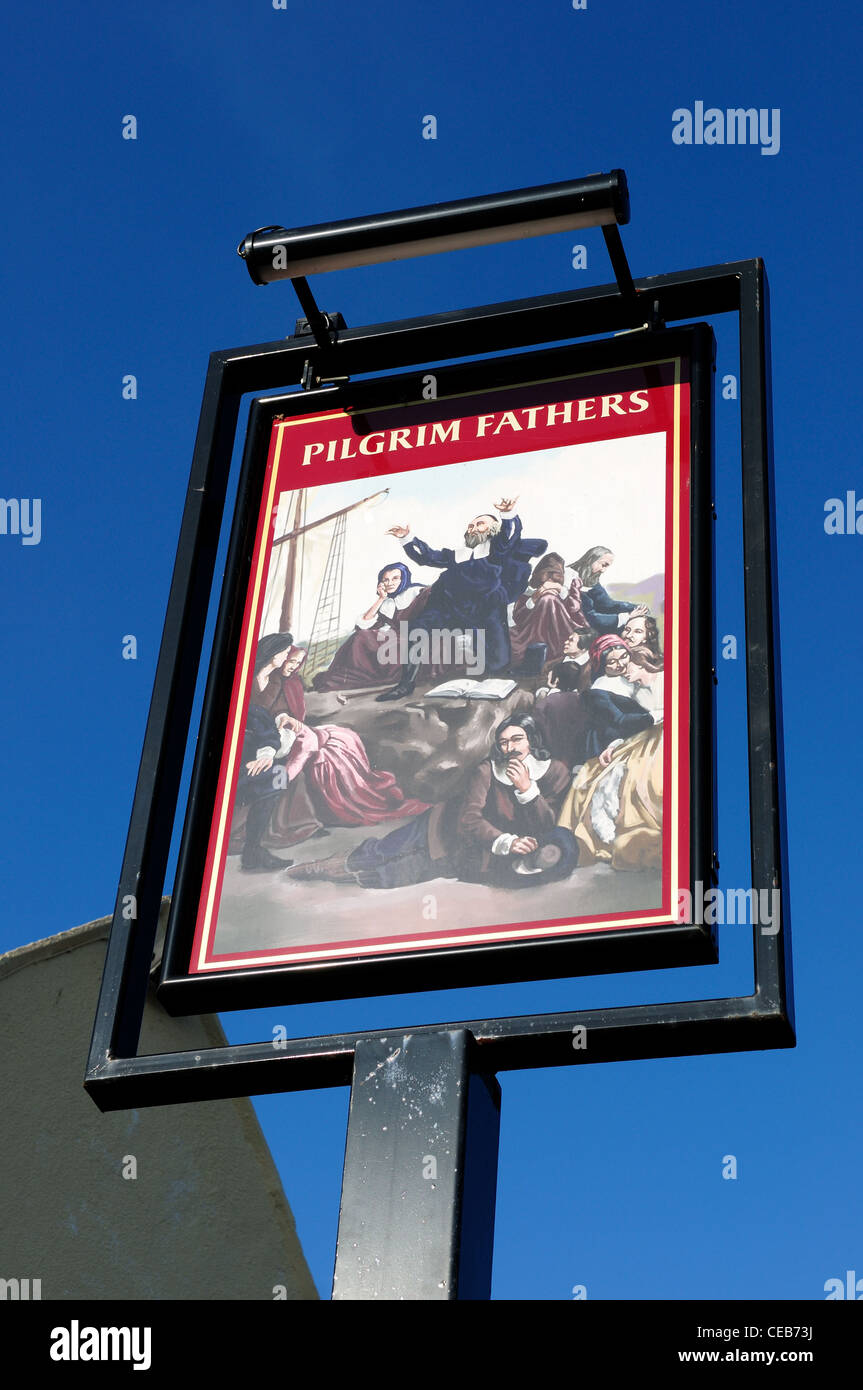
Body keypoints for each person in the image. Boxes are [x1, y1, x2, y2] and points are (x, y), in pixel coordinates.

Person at [290, 715, 577, 889]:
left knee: (395, 876)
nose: (510, 748)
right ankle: (324, 866)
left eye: (518, 739)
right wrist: (505, 839)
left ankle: (343, 876)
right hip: (445, 824)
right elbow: (470, 818)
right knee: (387, 848)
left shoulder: (554, 772)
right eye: (504, 742)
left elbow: (548, 824)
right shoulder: (488, 770)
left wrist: (528, 791)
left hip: (477, 848)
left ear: (532, 741)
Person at [376, 497, 546, 700]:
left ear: (493, 530)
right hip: (450, 608)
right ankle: (406, 684)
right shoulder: (458, 554)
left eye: (480, 524)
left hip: (486, 609)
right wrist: (407, 538)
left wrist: (508, 514)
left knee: (498, 662)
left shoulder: (497, 550)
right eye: (471, 525)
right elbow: (426, 557)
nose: (473, 528)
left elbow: (509, 536)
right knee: (417, 628)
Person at [557, 645, 665, 870]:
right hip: (631, 738)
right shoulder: (602, 689)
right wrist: (617, 744)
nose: (621, 665)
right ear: (602, 666)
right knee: (598, 777)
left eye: (625, 657)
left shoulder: (647, 679)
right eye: (612, 662)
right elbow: (621, 723)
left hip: (656, 737)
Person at [232, 633, 299, 872]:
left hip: (258, 748)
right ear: (272, 653)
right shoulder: (242, 678)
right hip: (235, 749)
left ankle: (253, 851)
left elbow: (276, 709)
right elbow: (252, 715)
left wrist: (284, 717)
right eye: (284, 652)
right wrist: (267, 748)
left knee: (277, 778)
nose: (286, 656)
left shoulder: (275, 682)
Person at [312, 563, 432, 692]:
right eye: (385, 580)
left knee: (363, 638)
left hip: (414, 638)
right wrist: (381, 598)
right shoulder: (387, 602)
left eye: (395, 578)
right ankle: (349, 675)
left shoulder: (417, 593)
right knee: (359, 637)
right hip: (394, 638)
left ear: (404, 579)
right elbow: (363, 624)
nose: (390, 583)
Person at [508, 552, 590, 668]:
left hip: (563, 631)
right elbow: (518, 616)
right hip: (531, 631)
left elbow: (575, 609)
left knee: (549, 600)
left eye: (555, 579)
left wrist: (561, 591)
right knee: (547, 600)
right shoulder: (529, 591)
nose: (550, 583)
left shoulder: (570, 584)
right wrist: (534, 598)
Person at [570, 545, 649, 635]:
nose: (603, 570)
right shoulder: (570, 577)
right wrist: (627, 616)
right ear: (590, 560)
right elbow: (590, 618)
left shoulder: (590, 579)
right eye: (603, 565)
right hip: (577, 630)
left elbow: (606, 604)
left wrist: (633, 607)